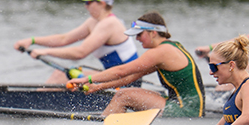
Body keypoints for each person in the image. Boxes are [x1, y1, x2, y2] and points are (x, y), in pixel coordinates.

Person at [67, 11, 205, 117]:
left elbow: (122, 71)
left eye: (139, 34)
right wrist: (98, 87)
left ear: (153, 33)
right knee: (124, 93)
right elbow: (129, 78)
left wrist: (86, 79)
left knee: (123, 96)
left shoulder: (161, 51)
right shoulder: (171, 46)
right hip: (184, 104)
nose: (137, 38)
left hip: (186, 110)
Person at [14, 0, 139, 84]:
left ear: (102, 3)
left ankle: (36, 105)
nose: (85, 6)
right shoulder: (93, 22)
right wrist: (32, 40)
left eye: (88, 2)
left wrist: (45, 52)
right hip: (112, 76)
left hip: (127, 81)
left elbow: (80, 53)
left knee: (61, 75)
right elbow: (64, 39)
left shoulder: (110, 24)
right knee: (64, 74)